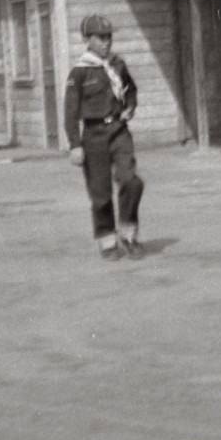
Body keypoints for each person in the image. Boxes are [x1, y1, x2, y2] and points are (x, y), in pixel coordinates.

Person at [63, 15, 144, 261]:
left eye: (109, 37)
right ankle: (107, 240)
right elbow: (70, 112)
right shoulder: (79, 72)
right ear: (87, 40)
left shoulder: (118, 65)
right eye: (101, 38)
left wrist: (130, 107)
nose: (106, 43)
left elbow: (131, 90)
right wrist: (75, 145)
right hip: (93, 135)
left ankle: (129, 234)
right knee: (100, 192)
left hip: (119, 130)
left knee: (131, 181)